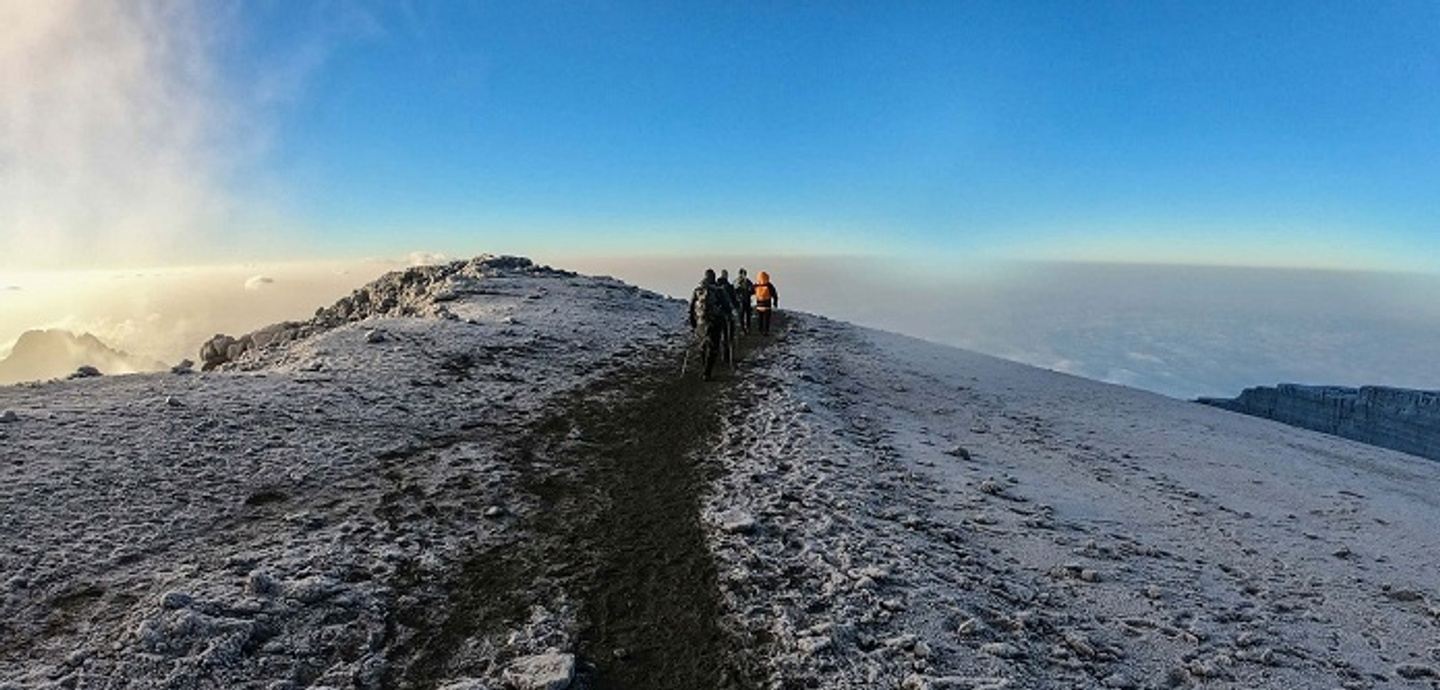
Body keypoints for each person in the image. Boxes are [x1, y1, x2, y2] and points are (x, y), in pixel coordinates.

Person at [687, 269, 728, 380]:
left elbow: (691, 307)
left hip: (701, 322)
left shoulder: (697, 290)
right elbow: (726, 306)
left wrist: (693, 322)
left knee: (703, 345)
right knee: (713, 347)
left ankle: (704, 365)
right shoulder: (718, 291)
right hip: (715, 322)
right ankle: (707, 371)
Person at [716, 269, 741, 363]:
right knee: (728, 336)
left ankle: (718, 354)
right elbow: (734, 300)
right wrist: (737, 308)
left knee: (718, 336)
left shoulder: (715, 286)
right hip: (728, 314)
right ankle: (727, 356)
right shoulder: (729, 287)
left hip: (717, 315)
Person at [754, 270, 779, 335]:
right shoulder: (769, 285)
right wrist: (775, 303)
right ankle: (766, 331)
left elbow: (751, 292)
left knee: (760, 318)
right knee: (766, 319)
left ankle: (760, 329)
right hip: (767, 306)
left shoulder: (756, 285)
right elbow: (774, 295)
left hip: (759, 306)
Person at [733, 268, 755, 334]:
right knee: (742, 315)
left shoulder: (746, 281)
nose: (743, 275)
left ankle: (746, 328)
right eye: (743, 274)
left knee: (746, 315)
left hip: (745, 300)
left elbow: (753, 291)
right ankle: (743, 328)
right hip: (741, 300)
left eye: (744, 274)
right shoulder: (738, 282)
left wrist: (750, 291)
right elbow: (734, 291)